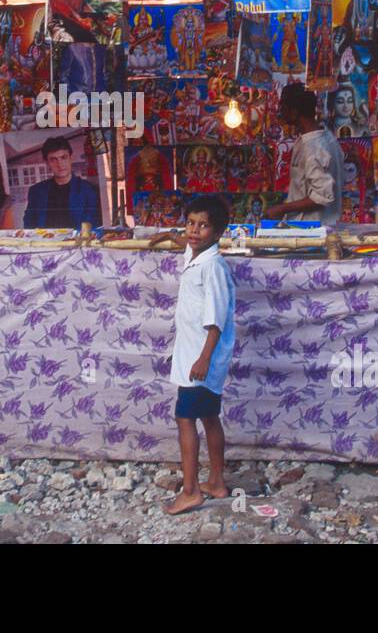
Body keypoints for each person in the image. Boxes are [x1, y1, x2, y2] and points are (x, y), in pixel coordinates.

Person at [147, 195, 236, 516]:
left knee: (185, 418)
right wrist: (169, 236)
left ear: (217, 233)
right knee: (209, 417)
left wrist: (203, 359)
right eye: (191, 223)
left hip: (201, 359)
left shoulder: (211, 267)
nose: (194, 231)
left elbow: (216, 320)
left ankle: (190, 491)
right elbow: (186, 241)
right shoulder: (197, 254)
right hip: (196, 357)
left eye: (203, 226)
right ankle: (217, 481)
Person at [264, 84, 343, 225]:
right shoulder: (327, 138)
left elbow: (321, 196)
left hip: (311, 230)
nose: (280, 113)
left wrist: (282, 208)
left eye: (283, 108)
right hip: (317, 227)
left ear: (294, 112)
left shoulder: (314, 147)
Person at [22, 136, 102, 231]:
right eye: (53, 159)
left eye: (63, 157)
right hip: (46, 243)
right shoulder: (36, 191)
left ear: (70, 158)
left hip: (76, 243)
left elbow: (92, 226)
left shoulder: (88, 190)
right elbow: (28, 226)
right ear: (47, 163)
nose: (59, 164)